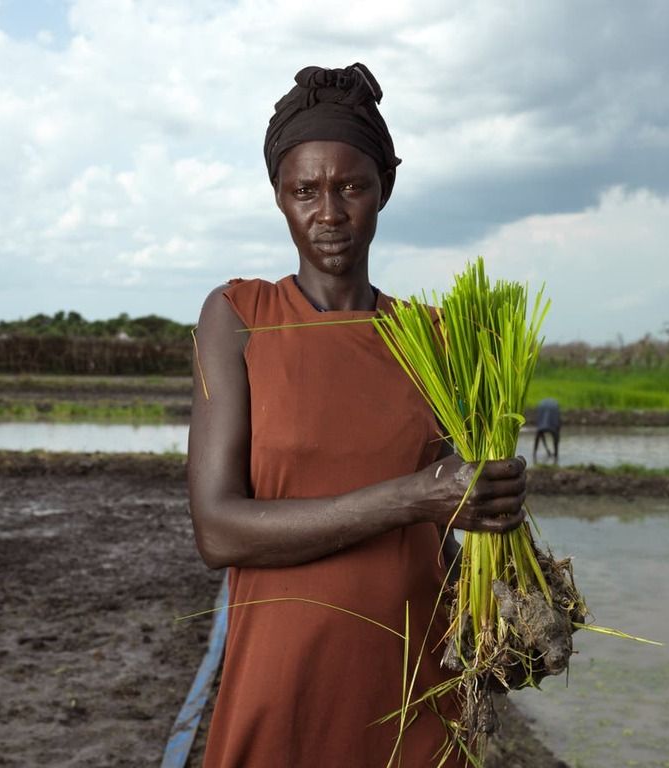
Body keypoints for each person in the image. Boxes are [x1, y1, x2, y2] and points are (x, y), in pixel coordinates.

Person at [187, 63, 529, 768]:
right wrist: (413, 496)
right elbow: (219, 529)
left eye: (351, 186)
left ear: (385, 189)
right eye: (304, 190)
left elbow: (448, 529)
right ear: (279, 196)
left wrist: (502, 544)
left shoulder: (439, 338)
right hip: (280, 684)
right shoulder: (241, 319)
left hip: (416, 684)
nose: (329, 212)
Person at [532, 397, 561, 463]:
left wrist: (547, 449)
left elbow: (540, 433)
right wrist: (547, 449)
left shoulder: (540, 425)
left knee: (538, 436)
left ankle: (534, 454)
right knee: (555, 437)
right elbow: (558, 423)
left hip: (542, 425)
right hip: (552, 425)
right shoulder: (555, 409)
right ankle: (556, 455)